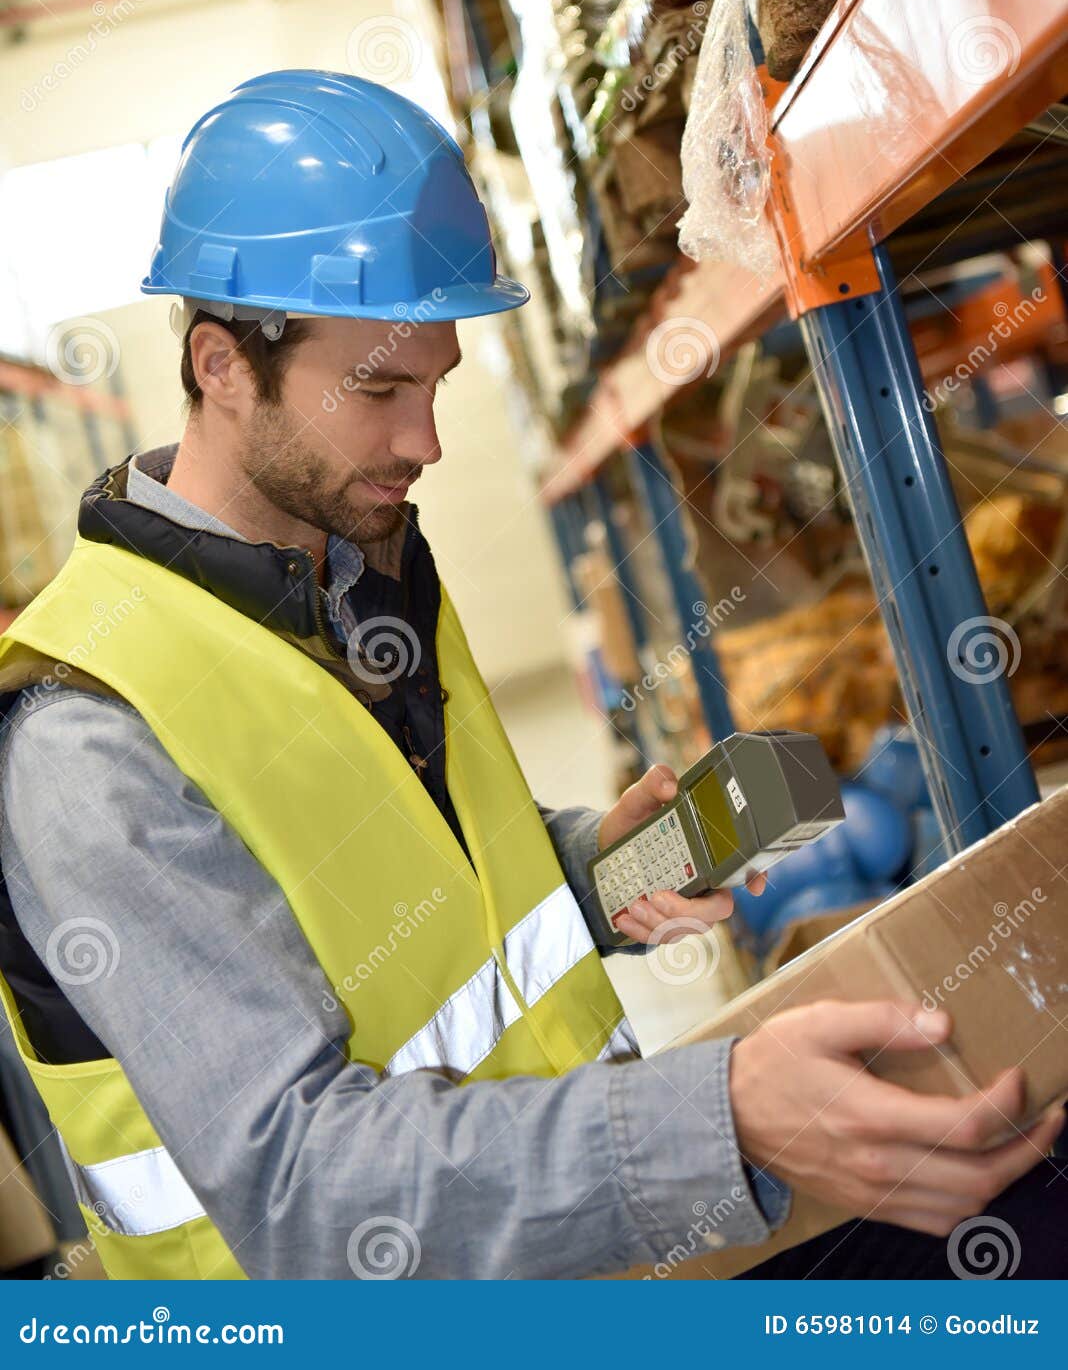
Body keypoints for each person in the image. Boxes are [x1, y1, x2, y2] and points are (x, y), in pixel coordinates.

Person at [0, 72, 1060, 1281]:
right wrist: (722, 1115)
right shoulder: (85, 740)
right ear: (223, 366)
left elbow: (408, 893)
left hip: (566, 1244)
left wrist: (590, 870)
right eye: (378, 389)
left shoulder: (355, 571)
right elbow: (302, 1190)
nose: (425, 441)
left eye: (436, 385)